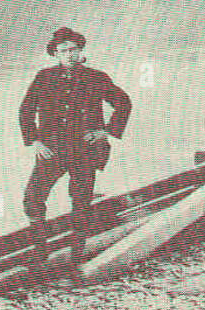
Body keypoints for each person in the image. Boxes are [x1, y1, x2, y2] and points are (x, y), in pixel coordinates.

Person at [18, 27, 132, 286]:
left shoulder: (96, 77)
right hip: (52, 150)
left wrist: (105, 132)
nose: (69, 55)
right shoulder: (43, 78)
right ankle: (40, 250)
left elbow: (124, 103)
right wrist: (34, 141)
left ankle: (77, 255)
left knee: (80, 200)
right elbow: (25, 110)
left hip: (85, 150)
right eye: (63, 51)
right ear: (55, 54)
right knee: (32, 197)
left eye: (73, 49)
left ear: (81, 51)